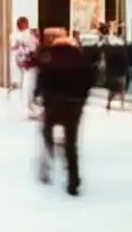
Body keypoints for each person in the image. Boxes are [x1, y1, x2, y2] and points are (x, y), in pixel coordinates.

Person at [34, 29, 94, 196]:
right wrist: (82, 99)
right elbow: (89, 79)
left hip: (53, 103)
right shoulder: (79, 56)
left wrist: (40, 96)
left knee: (47, 131)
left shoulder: (50, 56)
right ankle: (73, 181)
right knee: (71, 142)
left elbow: (43, 78)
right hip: (74, 104)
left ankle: (46, 163)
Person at [10, 17, 38, 114]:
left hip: (21, 62)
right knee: (29, 84)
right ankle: (28, 106)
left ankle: (26, 105)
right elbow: (34, 46)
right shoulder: (28, 34)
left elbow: (14, 48)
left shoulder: (14, 36)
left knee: (24, 84)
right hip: (28, 62)